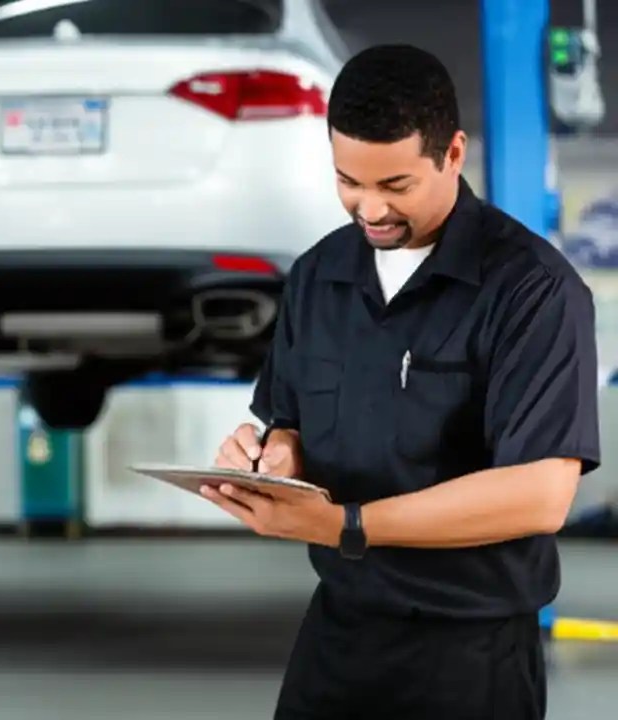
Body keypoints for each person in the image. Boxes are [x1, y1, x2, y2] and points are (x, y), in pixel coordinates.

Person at [207, 44, 601, 720]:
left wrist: (347, 525)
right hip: (339, 635)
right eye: (348, 182)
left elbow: (539, 495)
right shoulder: (317, 277)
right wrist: (270, 457)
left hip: (471, 654)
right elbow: (291, 421)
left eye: (395, 186)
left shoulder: (532, 290)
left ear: (452, 153)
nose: (369, 210)